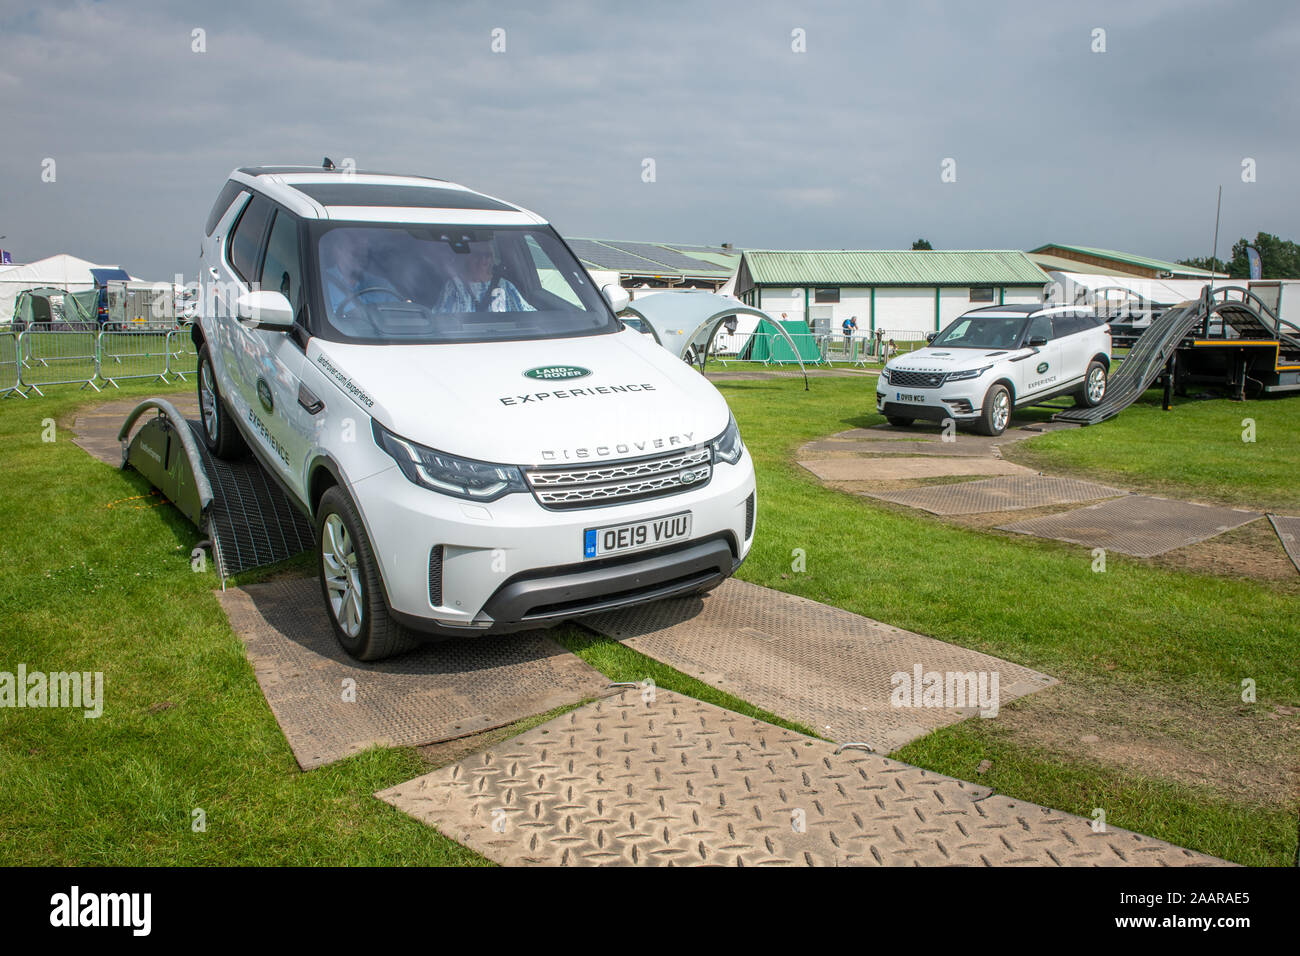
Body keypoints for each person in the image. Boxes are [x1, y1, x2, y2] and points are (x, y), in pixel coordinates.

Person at [435, 242, 534, 313]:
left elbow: (527, 314)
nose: (483, 260)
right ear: (467, 257)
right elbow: (440, 321)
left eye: (487, 255)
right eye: (477, 255)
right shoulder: (454, 286)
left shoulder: (504, 285)